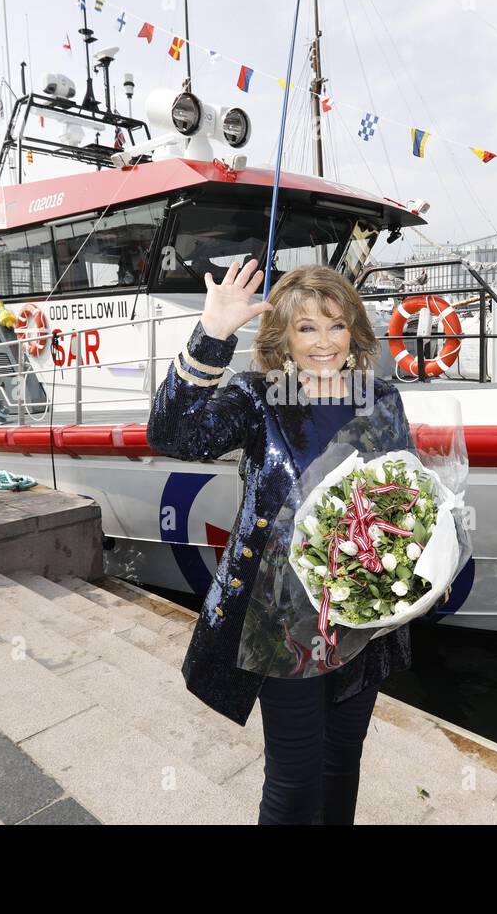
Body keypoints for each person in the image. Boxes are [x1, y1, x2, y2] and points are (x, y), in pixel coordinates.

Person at [146, 259, 417, 825]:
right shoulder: (257, 395)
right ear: (284, 338)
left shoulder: (383, 398)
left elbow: (401, 494)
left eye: (336, 325)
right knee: (294, 779)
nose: (324, 343)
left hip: (361, 616)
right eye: (307, 328)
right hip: (279, 622)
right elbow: (173, 435)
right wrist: (213, 335)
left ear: (355, 332)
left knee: (344, 763)